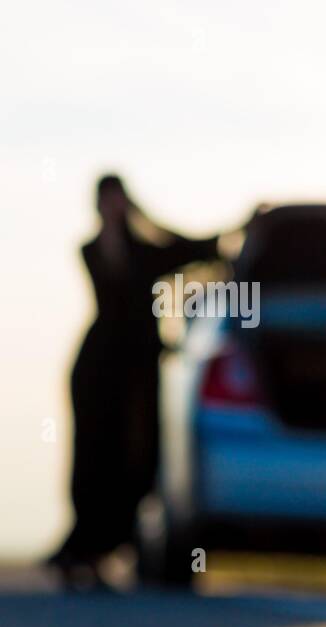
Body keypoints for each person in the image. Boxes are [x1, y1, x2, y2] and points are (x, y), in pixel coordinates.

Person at [48, 174, 220, 588]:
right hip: (97, 369)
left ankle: (110, 548)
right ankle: (86, 552)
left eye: (118, 199)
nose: (113, 206)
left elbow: (193, 248)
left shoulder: (148, 250)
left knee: (138, 457)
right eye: (107, 200)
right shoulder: (90, 250)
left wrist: (243, 226)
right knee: (92, 455)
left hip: (138, 372)